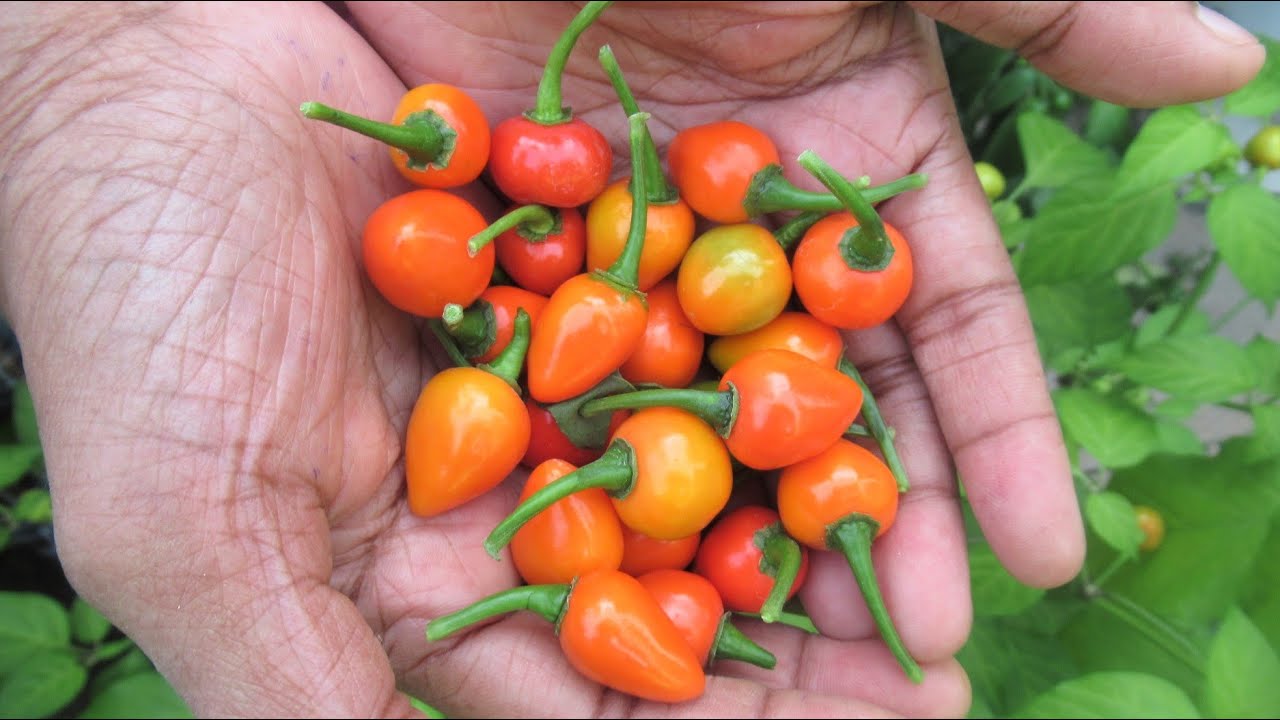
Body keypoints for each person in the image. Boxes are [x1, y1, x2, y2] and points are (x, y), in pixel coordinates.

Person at [0, 2, 1262, 717]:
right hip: (639, 384)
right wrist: (77, 52)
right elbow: (580, 378)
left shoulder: (649, 314)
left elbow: (602, 379)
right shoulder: (569, 299)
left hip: (660, 391)